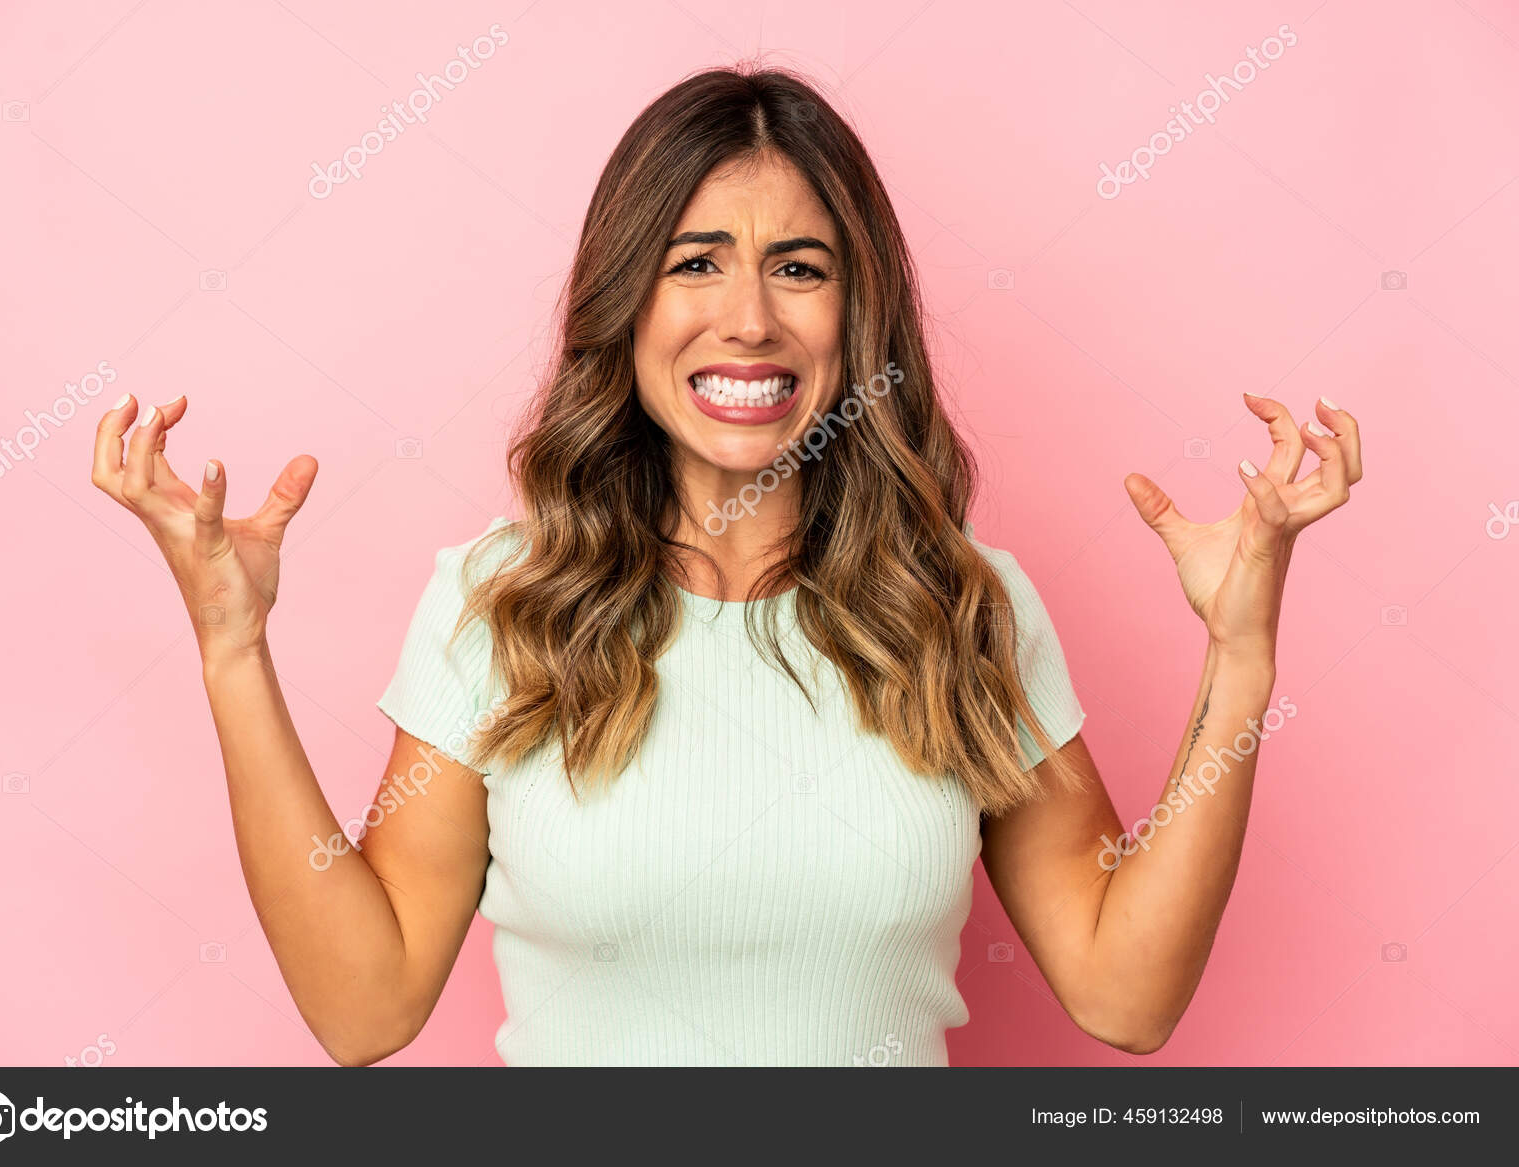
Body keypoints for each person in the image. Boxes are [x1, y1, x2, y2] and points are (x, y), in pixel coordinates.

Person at [89, 65, 1362, 1066]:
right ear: (622, 304)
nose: (747, 316)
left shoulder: (963, 606)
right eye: (694, 261)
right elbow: (363, 1011)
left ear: (855, 316)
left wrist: (1240, 658)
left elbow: (1125, 996)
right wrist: (233, 649)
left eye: (798, 268)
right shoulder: (500, 601)